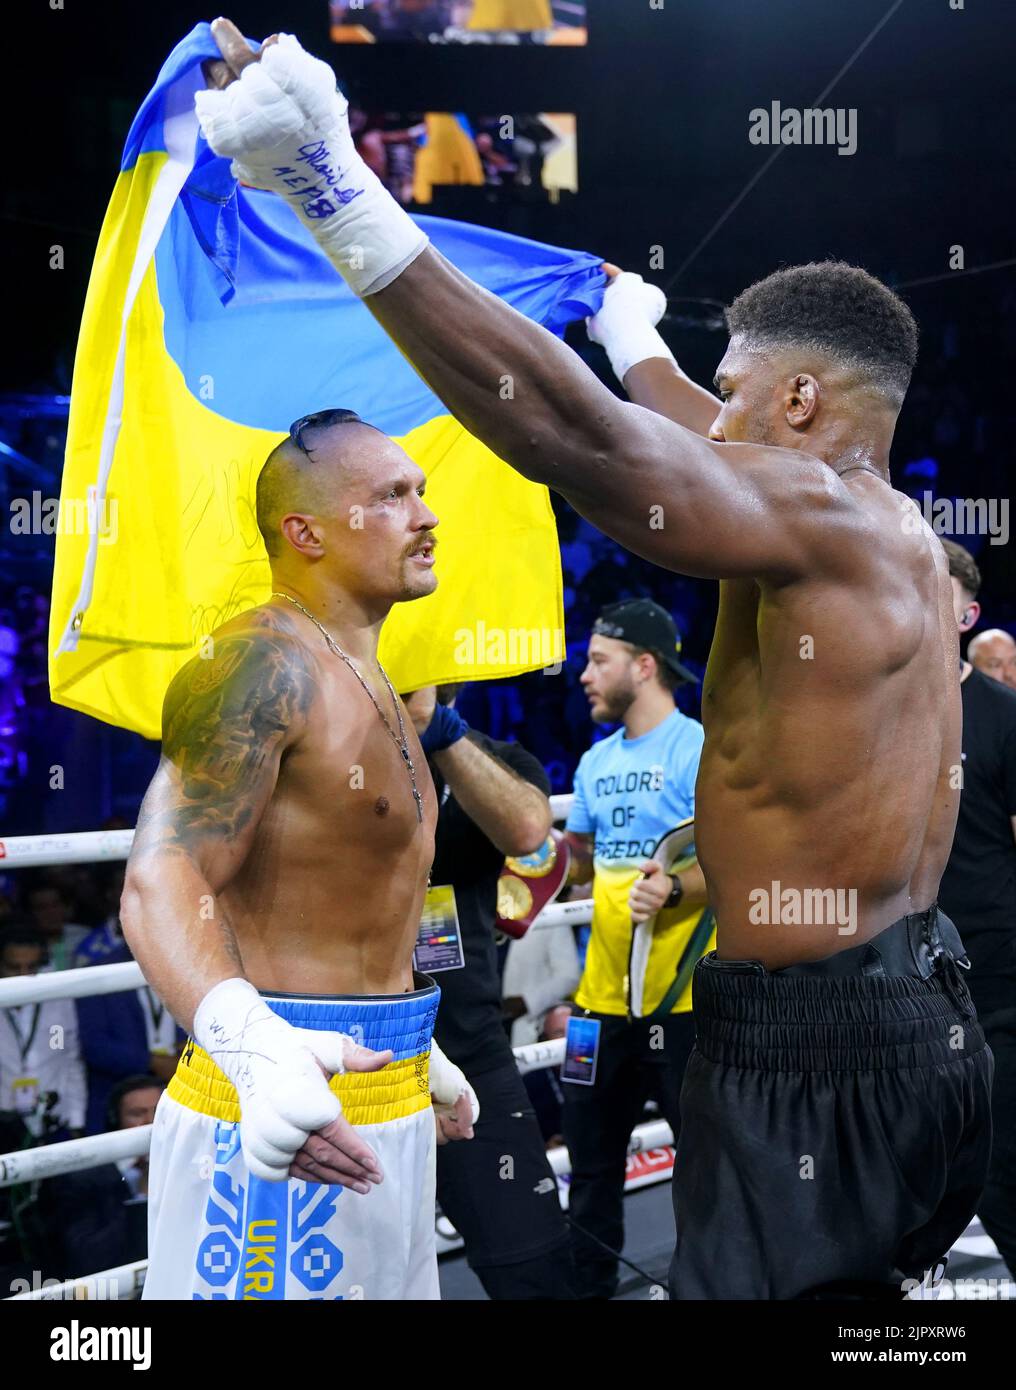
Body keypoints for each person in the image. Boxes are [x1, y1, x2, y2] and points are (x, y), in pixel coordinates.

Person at [196, 25, 992, 1299]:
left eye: (732, 390)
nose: (709, 413)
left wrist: (330, 184)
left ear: (796, 407)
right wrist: (630, 333)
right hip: (909, 1010)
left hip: (807, 1041)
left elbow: (598, 446)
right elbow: (679, 434)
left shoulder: (814, 518)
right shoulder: (881, 528)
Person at [121, 408, 478, 1301]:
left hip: (377, 1095)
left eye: (423, 492)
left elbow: (354, 888)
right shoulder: (257, 664)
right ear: (306, 531)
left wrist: (410, 1049)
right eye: (393, 496)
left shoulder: (377, 683)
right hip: (275, 1103)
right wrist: (252, 1052)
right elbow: (161, 874)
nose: (428, 515)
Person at [403, 683, 576, 1299]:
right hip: (344, 1058)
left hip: (467, 1054)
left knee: (533, 1266)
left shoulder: (491, 760)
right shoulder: (318, 760)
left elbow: (532, 832)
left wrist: (438, 729)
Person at [560, 599, 710, 1298]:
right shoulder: (593, 761)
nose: (584, 675)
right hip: (597, 1007)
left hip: (680, 1006)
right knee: (588, 1173)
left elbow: (739, 860)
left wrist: (677, 889)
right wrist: (534, 862)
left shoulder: (699, 749)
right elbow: (581, 867)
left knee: (705, 1170)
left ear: (644, 666)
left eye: (598, 661)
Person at [937, 541, 1016, 1280]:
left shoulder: (1002, 715)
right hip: (897, 974)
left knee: (1000, 1166)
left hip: (993, 972)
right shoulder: (870, 706)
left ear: (968, 612)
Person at [40, 1075, 165, 1280]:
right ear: (115, 1120)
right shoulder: (83, 1178)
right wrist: (142, 1197)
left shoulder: (190, 1164)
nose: (151, 1122)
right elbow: (88, 1259)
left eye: (159, 1112)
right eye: (137, 1114)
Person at [0, 926, 87, 1139]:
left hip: (54, 1115)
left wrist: (76, 1120)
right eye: (14, 967)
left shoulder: (56, 997)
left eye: (31, 967)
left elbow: (67, 1059)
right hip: (4, 1120)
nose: (23, 976)